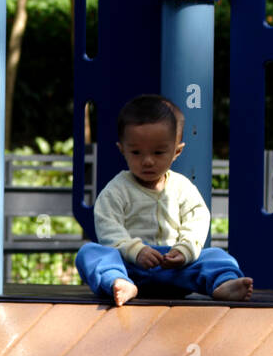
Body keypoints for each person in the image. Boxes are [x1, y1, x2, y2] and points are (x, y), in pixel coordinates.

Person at [76, 93, 254, 307]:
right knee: (89, 253)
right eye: (136, 152)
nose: (148, 161)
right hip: (132, 267)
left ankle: (224, 284)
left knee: (216, 256)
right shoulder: (116, 190)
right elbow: (108, 227)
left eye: (159, 152)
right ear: (122, 149)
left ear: (176, 152)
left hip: (176, 268)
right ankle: (119, 282)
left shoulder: (183, 188)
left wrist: (184, 250)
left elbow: (197, 219)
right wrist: (136, 251)